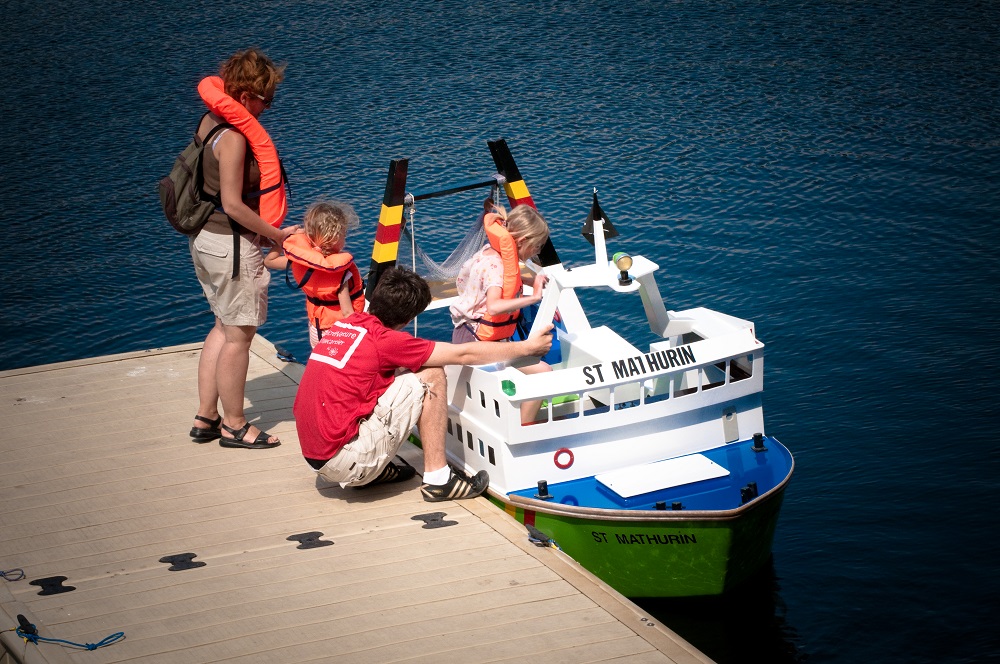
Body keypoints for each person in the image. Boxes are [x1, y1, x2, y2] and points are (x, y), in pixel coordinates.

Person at [293, 267, 553, 501]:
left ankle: (373, 468)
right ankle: (439, 481)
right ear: (407, 321)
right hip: (344, 460)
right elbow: (462, 354)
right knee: (432, 375)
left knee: (398, 373)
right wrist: (527, 348)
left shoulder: (346, 325)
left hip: (317, 453)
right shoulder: (385, 340)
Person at [188, 48, 300, 450]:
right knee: (239, 335)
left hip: (206, 239)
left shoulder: (211, 120)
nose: (268, 107)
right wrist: (277, 235)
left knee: (222, 324)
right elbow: (234, 204)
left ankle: (206, 416)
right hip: (232, 246)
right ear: (247, 95)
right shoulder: (235, 137)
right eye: (266, 99)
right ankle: (235, 425)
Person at [449, 200, 553, 424]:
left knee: (537, 370)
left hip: (474, 334)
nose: (537, 252)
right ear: (523, 241)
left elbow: (501, 283)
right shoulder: (497, 266)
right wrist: (533, 297)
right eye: (536, 247)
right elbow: (494, 306)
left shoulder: (490, 252)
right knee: (543, 373)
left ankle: (523, 422)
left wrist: (528, 279)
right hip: (475, 340)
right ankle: (524, 427)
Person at [263, 200, 364, 348]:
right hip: (338, 334)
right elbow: (348, 312)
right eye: (344, 234)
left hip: (316, 331)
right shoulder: (341, 272)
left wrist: (283, 239)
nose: (344, 238)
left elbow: (269, 261)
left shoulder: (300, 262)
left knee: (321, 365)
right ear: (335, 237)